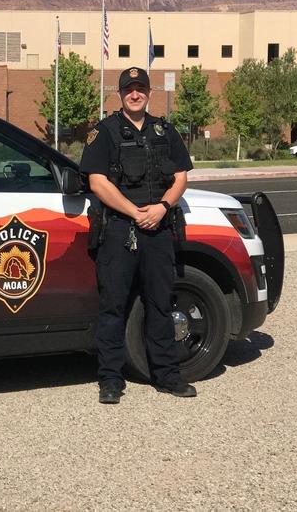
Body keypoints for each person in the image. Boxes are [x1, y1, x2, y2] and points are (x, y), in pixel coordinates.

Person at [80, 67, 196, 404]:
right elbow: (97, 182)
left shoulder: (165, 131)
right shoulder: (104, 133)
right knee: (113, 307)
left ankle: (167, 376)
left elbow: (180, 178)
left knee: (160, 305)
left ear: (148, 92)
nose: (135, 94)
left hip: (158, 229)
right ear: (120, 94)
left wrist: (161, 207)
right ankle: (111, 380)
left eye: (140, 88)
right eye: (129, 89)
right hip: (119, 230)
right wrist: (135, 213)